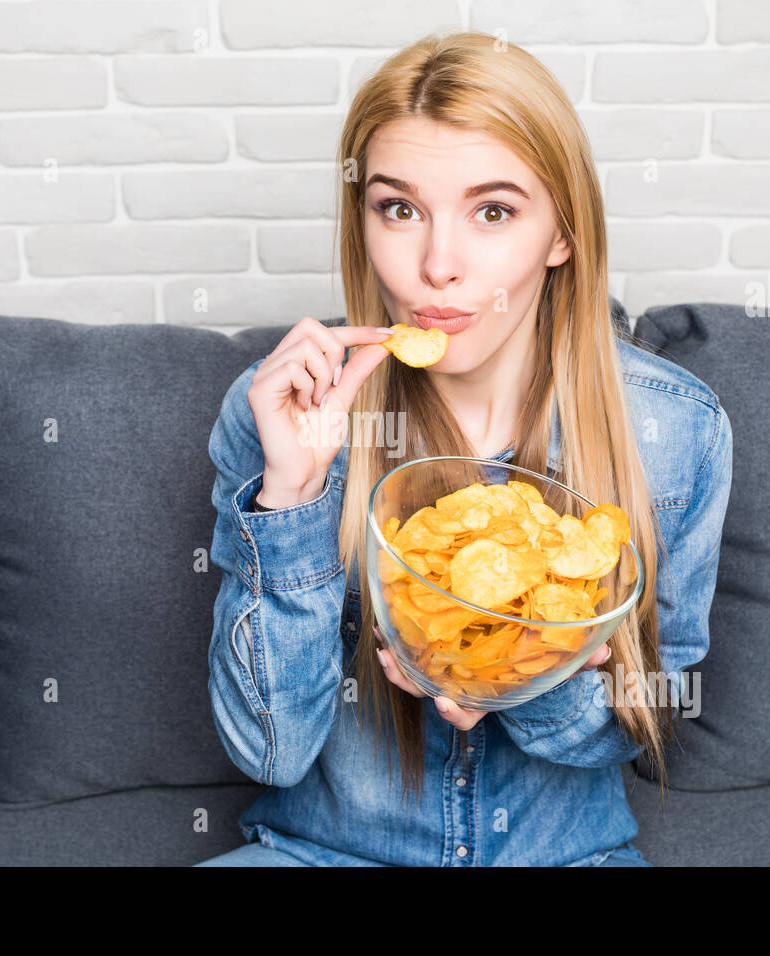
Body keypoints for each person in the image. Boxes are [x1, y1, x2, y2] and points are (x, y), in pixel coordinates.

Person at [193, 31, 733, 867]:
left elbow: (652, 715)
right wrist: (292, 501)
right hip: (324, 855)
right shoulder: (281, 414)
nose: (436, 266)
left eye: (493, 211)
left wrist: (512, 686)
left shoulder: (675, 430)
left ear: (563, 234)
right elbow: (268, 753)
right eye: (399, 209)